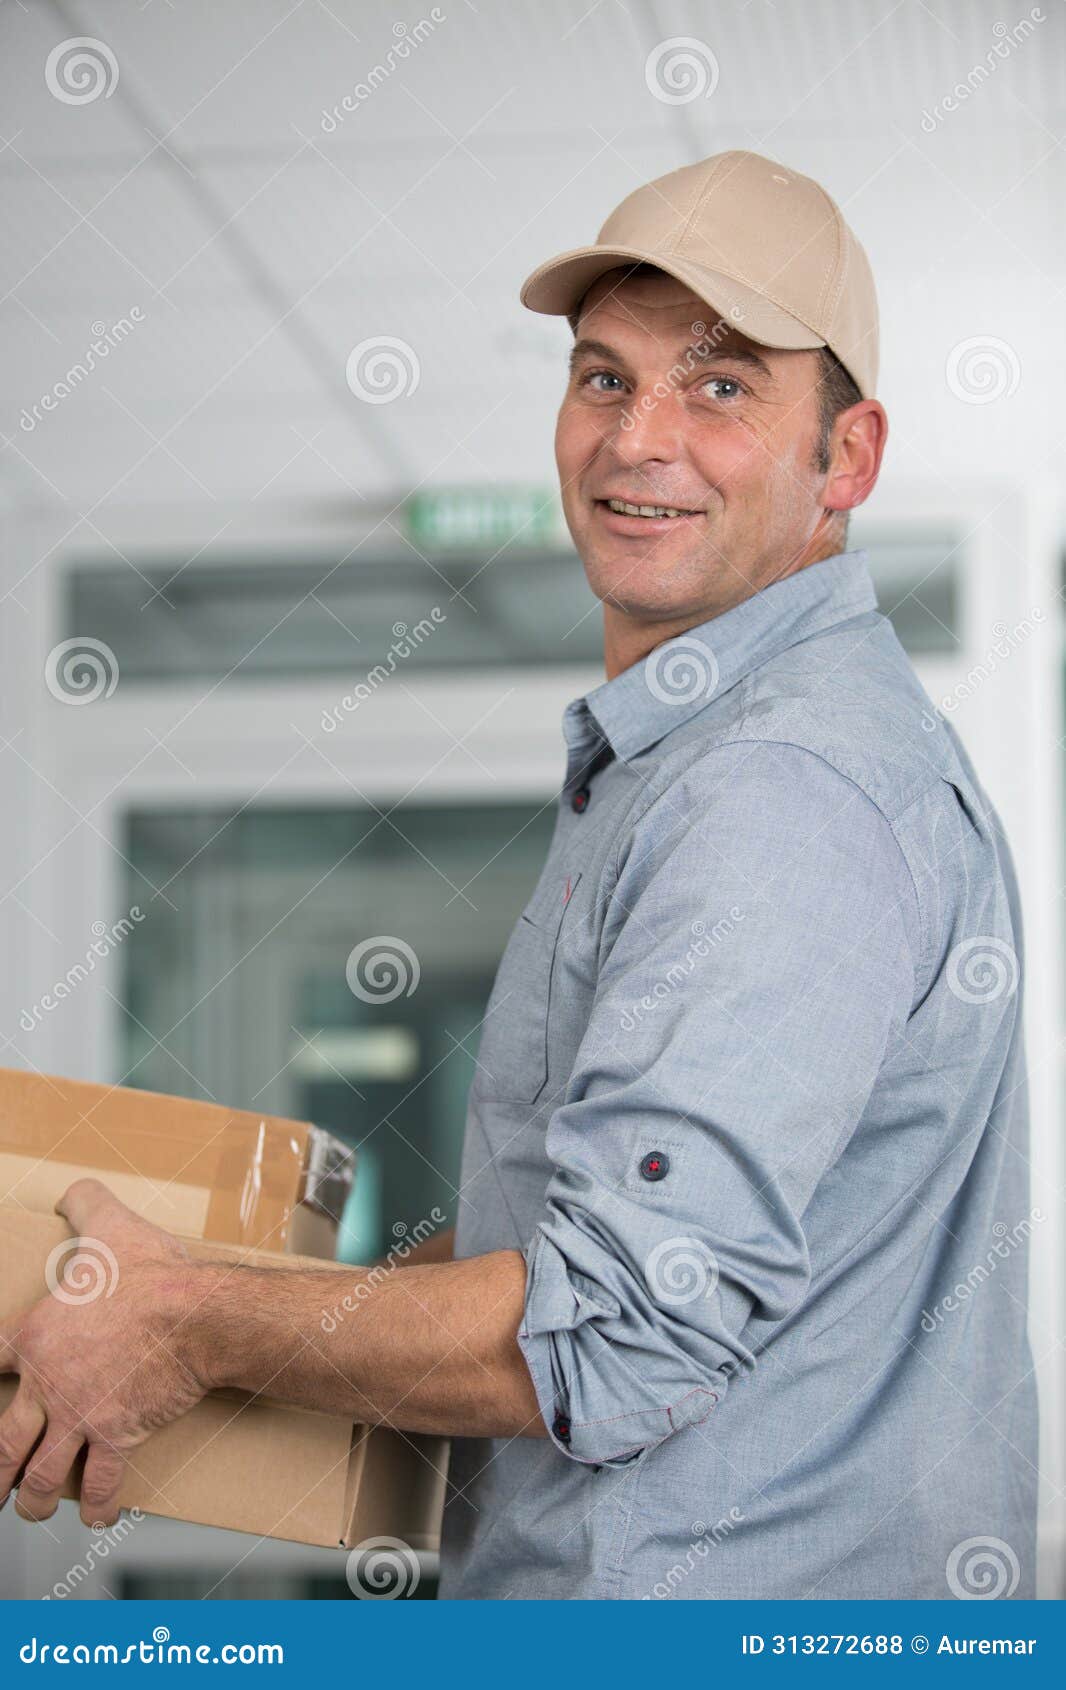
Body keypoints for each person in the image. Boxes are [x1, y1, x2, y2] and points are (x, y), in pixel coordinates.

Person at [0, 151, 1037, 1600]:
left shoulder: (776, 788)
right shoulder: (703, 763)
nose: (637, 439)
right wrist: (218, 1299)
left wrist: (190, 1323)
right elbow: (590, 1245)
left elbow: (620, 1323)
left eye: (721, 386)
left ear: (846, 457)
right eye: (603, 378)